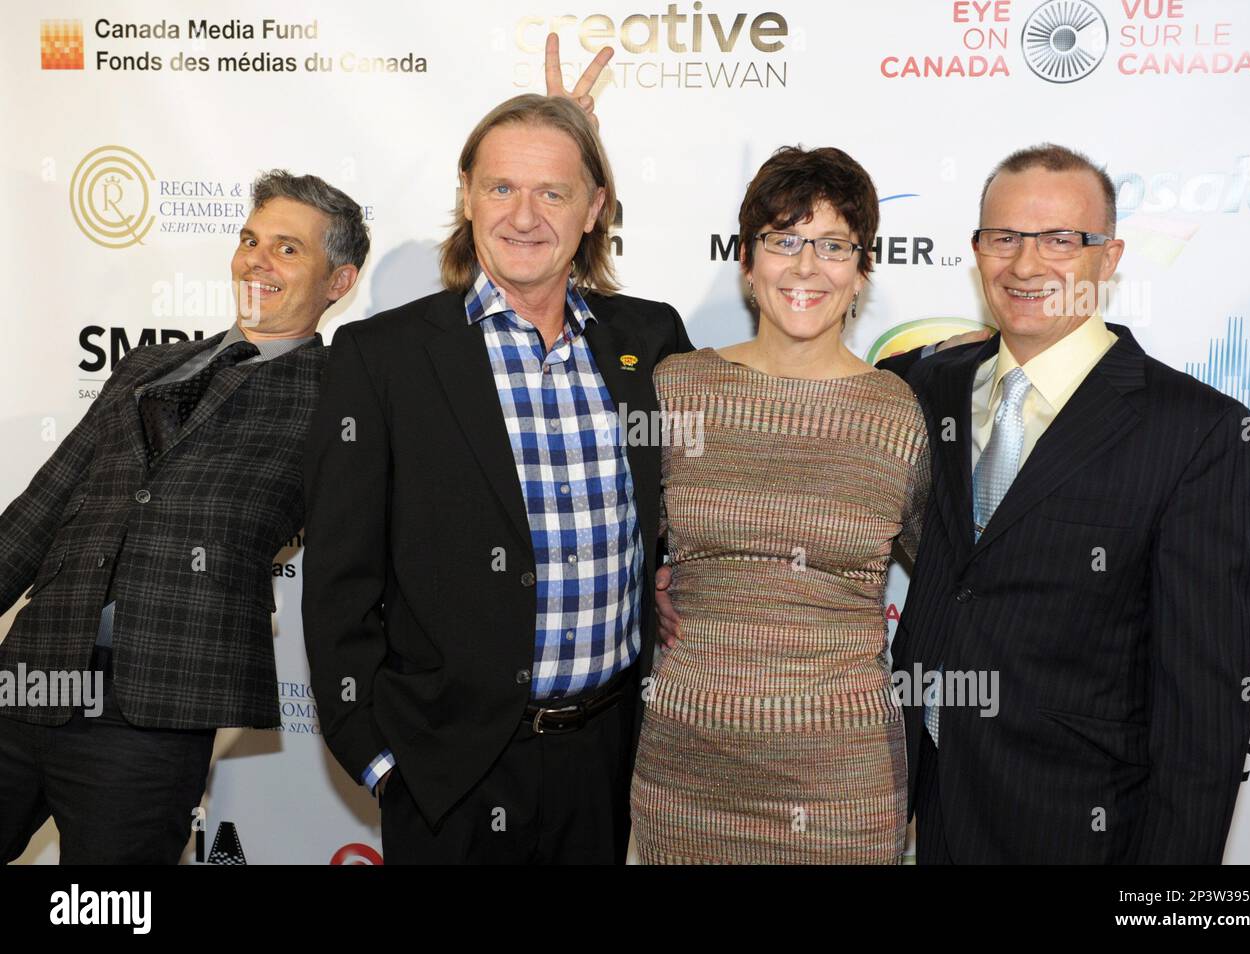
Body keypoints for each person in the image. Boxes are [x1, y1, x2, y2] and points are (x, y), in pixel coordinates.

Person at [301, 66, 693, 861]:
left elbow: (715, 481)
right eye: (501, 187)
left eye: (553, 193)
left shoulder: (650, 343)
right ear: (468, 197)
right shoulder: (385, 357)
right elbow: (340, 581)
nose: (523, 215)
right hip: (450, 775)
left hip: (608, 761)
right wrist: (384, 765)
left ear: (594, 209)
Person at [873, 143, 1250, 863]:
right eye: (1005, 238)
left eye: (1060, 240)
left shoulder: (1194, 430)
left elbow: (1203, 715)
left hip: (1079, 825)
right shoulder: (921, 391)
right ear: (976, 249)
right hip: (918, 803)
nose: (1026, 266)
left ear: (1108, 258)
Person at [0, 171, 367, 863]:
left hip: (156, 703)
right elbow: (38, 511)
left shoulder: (344, 398)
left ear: (338, 282)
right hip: (27, 672)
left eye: (288, 250)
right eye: (251, 239)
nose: (257, 259)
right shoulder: (146, 365)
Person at [631, 146, 930, 864]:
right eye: (783, 240)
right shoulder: (678, 389)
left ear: (861, 271)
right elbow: (611, 538)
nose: (805, 267)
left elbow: (959, 579)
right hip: (687, 770)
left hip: (843, 783)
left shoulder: (900, 414)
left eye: (832, 245)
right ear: (747, 262)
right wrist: (652, 586)